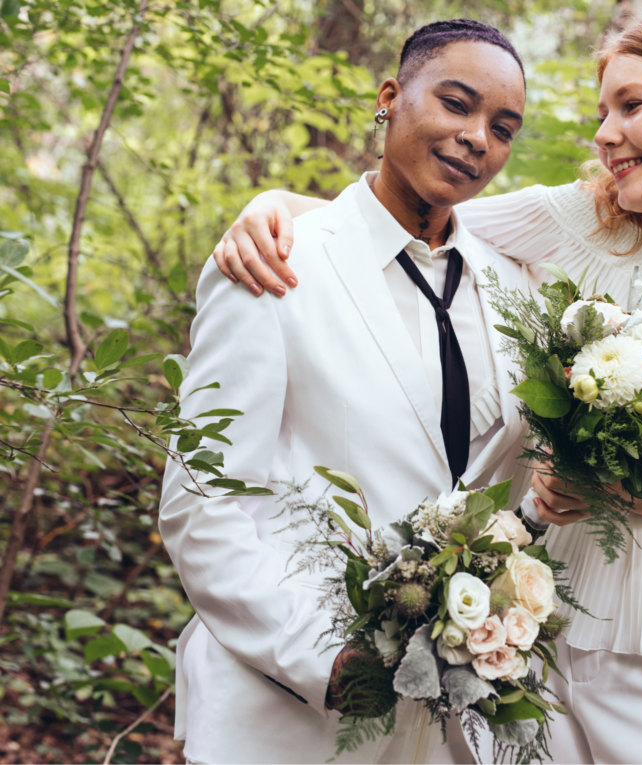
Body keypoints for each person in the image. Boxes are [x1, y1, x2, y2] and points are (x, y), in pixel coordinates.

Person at [211, 6, 642, 763]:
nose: (605, 134)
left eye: (632, 105)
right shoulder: (593, 224)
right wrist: (274, 209)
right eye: (602, 113)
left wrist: (630, 490)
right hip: (531, 657)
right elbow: (417, 223)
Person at [158, 19, 534, 764]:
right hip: (283, 713)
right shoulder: (275, 259)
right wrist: (322, 660)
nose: (476, 137)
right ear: (390, 97)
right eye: (456, 104)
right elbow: (201, 500)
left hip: (449, 726)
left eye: (502, 128)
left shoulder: (514, 284)